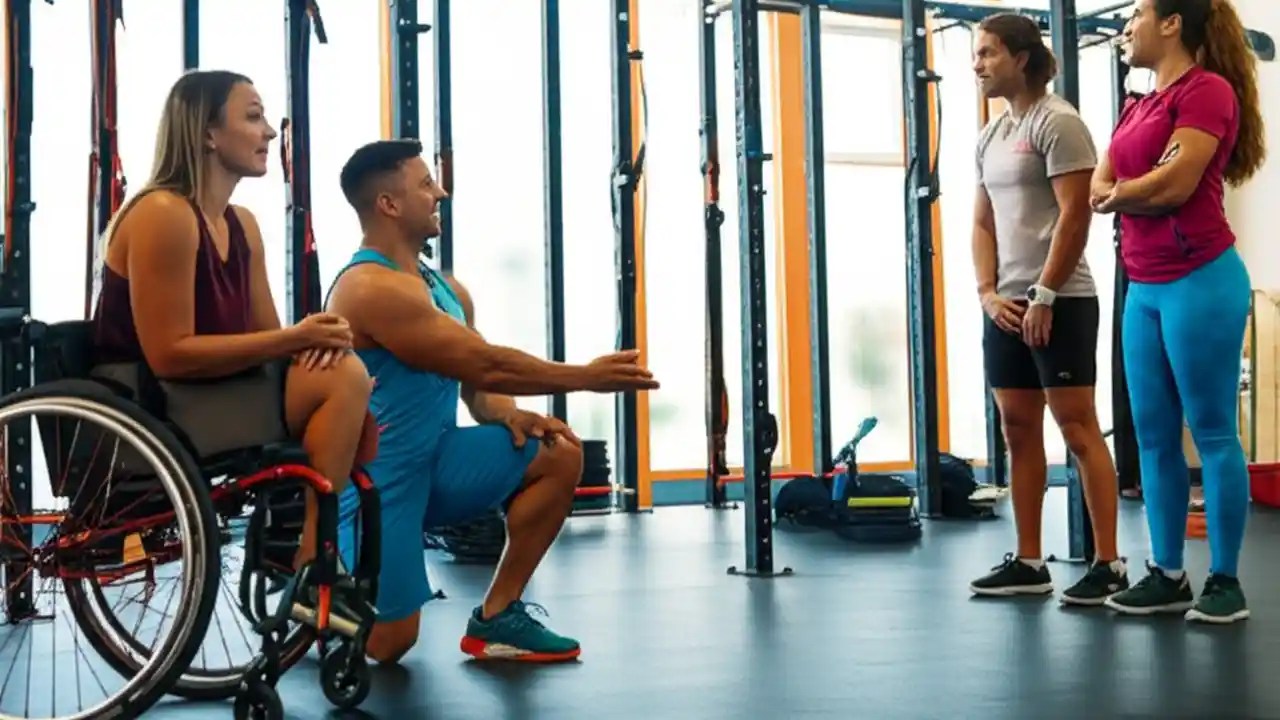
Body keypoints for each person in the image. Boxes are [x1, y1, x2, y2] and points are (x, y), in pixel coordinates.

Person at [324, 139, 660, 664]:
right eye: (424, 185)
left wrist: (508, 413)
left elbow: (476, 383)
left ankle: (497, 615)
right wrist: (585, 377)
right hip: (378, 484)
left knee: (559, 452)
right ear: (388, 205)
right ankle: (312, 599)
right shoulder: (367, 289)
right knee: (391, 644)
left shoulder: (445, 287)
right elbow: (487, 364)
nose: (440, 192)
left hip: (438, 462)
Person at [91, 70, 375, 567]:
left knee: (343, 371)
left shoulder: (241, 223)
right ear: (207, 132)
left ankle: (303, 541)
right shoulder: (164, 213)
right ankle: (309, 555)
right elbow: (170, 354)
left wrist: (314, 342)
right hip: (150, 396)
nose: (268, 131)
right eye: (253, 116)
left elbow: (269, 341)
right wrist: (300, 340)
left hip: (208, 390)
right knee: (344, 378)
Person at [1091, 0, 1264, 624]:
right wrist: (1127, 190)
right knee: (1155, 438)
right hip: (1145, 288)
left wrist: (1124, 193)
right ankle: (1166, 573)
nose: (1126, 26)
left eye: (1136, 12)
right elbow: (1097, 188)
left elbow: (1178, 182)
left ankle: (1225, 581)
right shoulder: (1139, 104)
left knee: (1213, 432)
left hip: (1201, 279)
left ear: (1171, 23)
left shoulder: (1207, 92)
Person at [966, 13, 1128, 604]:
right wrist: (988, 293)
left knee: (1077, 428)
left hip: (1062, 301)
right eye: (976, 56)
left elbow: (1076, 215)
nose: (978, 65)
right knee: (1017, 428)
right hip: (1006, 303)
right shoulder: (989, 134)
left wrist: (1045, 294)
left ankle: (1109, 563)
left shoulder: (1058, 123)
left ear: (1022, 58)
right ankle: (1030, 561)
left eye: (987, 53)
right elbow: (982, 221)